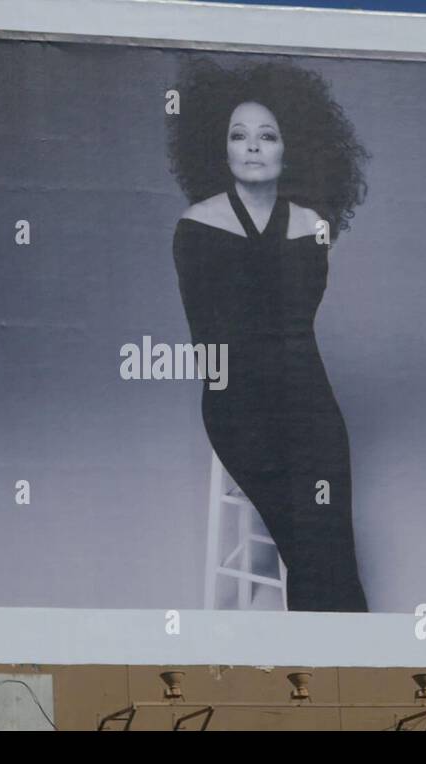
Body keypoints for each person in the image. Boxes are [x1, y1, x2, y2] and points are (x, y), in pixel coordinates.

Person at [169, 58, 370, 612]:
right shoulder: (196, 227)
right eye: (239, 135)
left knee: (332, 545)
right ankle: (339, 671)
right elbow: (210, 347)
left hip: (310, 404)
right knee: (311, 547)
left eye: (268, 135)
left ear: (291, 148)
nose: (253, 147)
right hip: (239, 407)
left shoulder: (313, 228)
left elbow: (297, 327)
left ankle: (346, 673)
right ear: (221, 148)